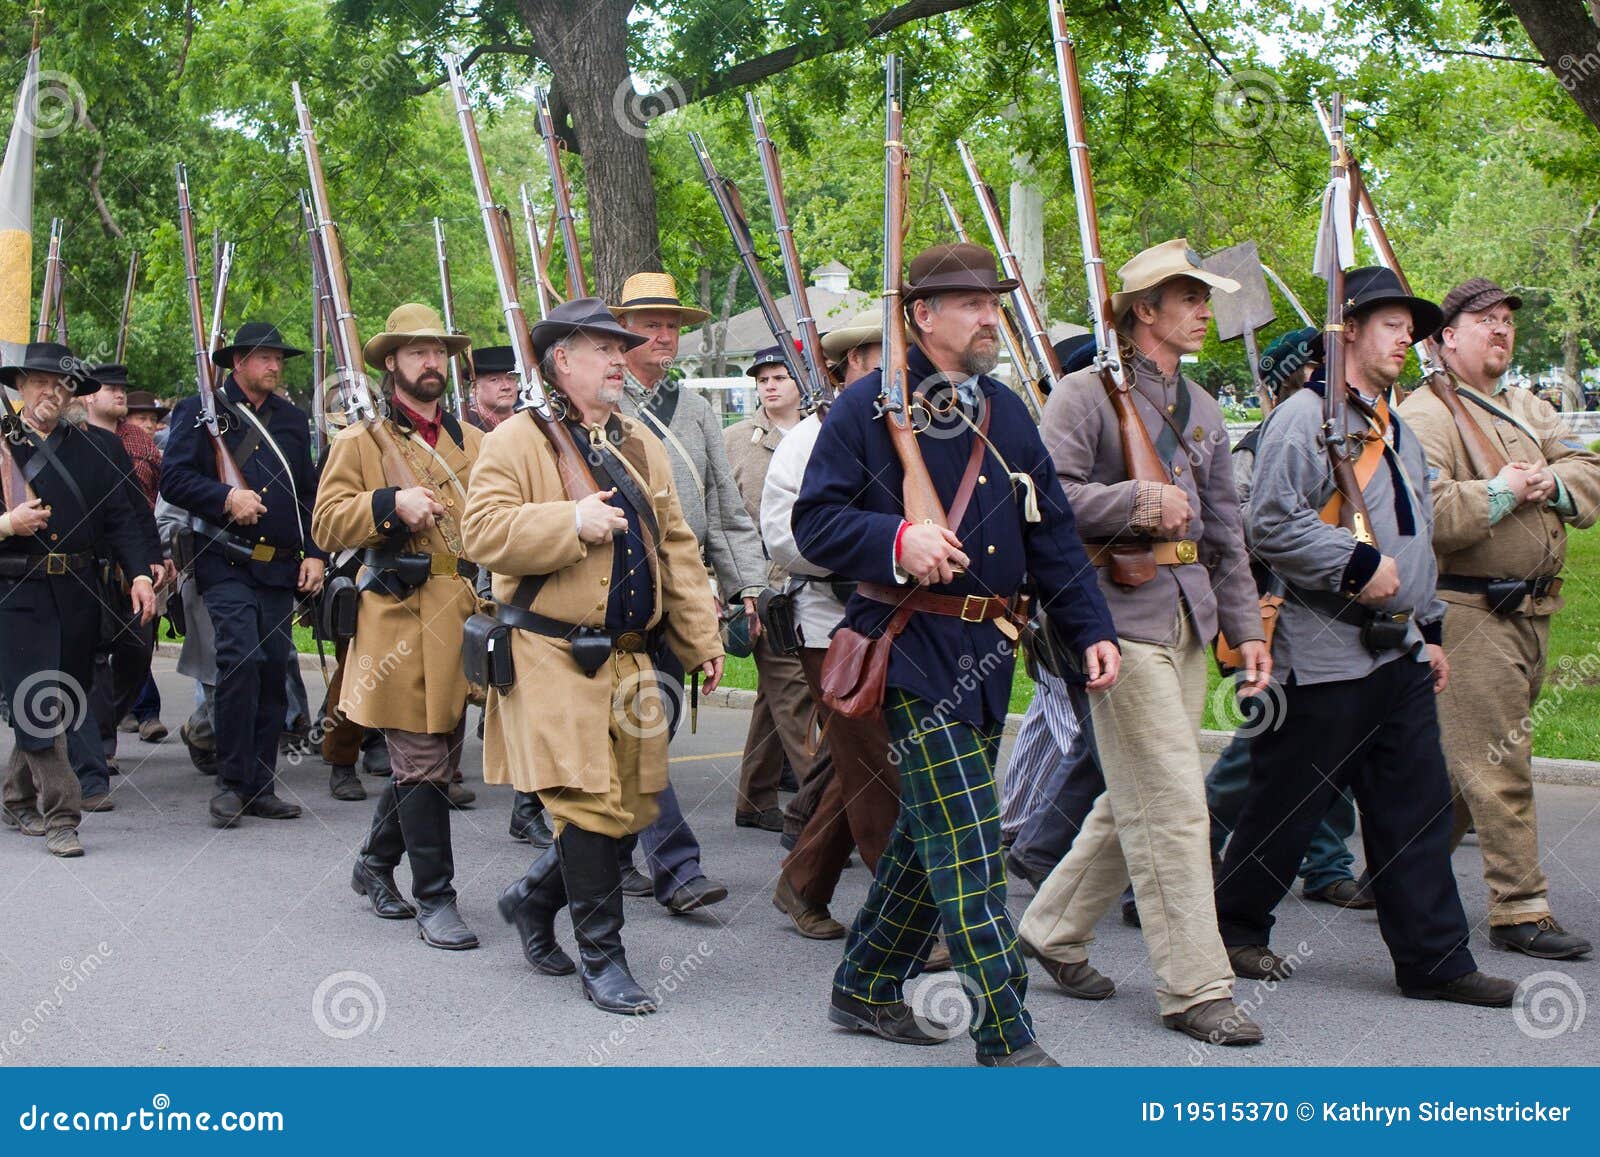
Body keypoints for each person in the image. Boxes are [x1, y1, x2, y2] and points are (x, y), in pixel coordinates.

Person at [794, 242, 1119, 1067]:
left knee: (925, 835)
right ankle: (1006, 1034)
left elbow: (1051, 534)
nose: (989, 316)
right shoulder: (865, 407)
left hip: (987, 652)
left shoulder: (1005, 410)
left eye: (992, 302)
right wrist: (899, 537)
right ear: (922, 315)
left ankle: (863, 985)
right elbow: (816, 524)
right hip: (905, 650)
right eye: (971, 303)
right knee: (973, 840)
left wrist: (1091, 628)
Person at [1216, 266, 1517, 1008]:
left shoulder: (1394, 425)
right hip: (1323, 650)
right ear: (1346, 328)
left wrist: (1431, 627)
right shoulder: (1301, 420)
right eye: (1391, 325)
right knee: (1282, 804)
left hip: (1400, 650)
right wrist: (1354, 562)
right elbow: (1271, 523)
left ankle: (1435, 961)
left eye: (1410, 328)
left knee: (1413, 808)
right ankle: (1233, 924)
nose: (1406, 338)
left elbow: (1415, 537)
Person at [1019, 239, 1267, 1046]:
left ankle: (1050, 928)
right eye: (1188, 297)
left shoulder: (1199, 405)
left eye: (1204, 297)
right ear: (1142, 311)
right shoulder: (1081, 396)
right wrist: (1136, 500)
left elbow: (1227, 528)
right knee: (1172, 801)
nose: (1204, 310)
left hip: (1188, 618)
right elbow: (1045, 502)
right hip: (1114, 622)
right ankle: (1196, 986)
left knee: (1138, 796)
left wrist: (1246, 627)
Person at [464, 298, 722, 1013]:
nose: (619, 359)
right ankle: (603, 958)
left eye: (621, 347)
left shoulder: (637, 440)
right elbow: (480, 532)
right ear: (561, 361)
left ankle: (529, 897)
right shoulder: (516, 440)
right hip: (551, 655)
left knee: (632, 807)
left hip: (633, 657)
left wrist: (701, 635)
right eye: (601, 348)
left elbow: (676, 545)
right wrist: (568, 520)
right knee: (586, 807)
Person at [1399, 277, 1600, 960]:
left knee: (1463, 769)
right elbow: (1421, 515)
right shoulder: (1423, 414)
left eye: (1508, 319)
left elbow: (1588, 464)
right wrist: (1501, 491)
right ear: (1445, 337)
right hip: (1473, 609)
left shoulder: (1524, 405)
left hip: (1536, 607)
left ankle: (1394, 875)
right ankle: (1519, 907)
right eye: (1485, 319)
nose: (1502, 330)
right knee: (1500, 763)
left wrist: (1553, 483)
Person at [313, 304, 484, 950]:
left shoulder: (474, 442)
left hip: (459, 611)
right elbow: (327, 523)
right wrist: (390, 504)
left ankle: (374, 861)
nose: (430, 362)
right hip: (397, 612)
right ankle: (436, 896)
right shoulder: (361, 440)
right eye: (416, 352)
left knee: (437, 760)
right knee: (416, 757)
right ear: (391, 363)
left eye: (438, 351)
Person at [1200, 328, 1372, 910]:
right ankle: (1193, 845)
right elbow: (1246, 524)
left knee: (1330, 744)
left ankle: (1325, 864)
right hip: (1280, 609)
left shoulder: (1357, 431)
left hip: (1340, 608)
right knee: (1263, 747)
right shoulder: (1275, 435)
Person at [613, 271, 765, 912]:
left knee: (655, 724)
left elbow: (725, 511)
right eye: (651, 323)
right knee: (640, 731)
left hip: (686, 586)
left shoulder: (697, 410)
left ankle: (605, 850)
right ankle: (677, 868)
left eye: (673, 324)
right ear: (621, 332)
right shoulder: (596, 407)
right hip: (617, 592)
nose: (665, 335)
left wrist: (747, 586)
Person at [761, 310, 901, 940]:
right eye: (880, 358)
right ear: (852, 365)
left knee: (859, 764)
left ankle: (802, 883)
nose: (894, 370)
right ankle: (905, 923)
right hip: (834, 626)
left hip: (907, 622)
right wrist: (881, 547)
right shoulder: (808, 438)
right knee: (878, 768)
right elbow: (782, 538)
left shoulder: (912, 425)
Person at [160, 321, 327, 828]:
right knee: (239, 659)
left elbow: (310, 494)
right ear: (238, 363)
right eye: (262, 357)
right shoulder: (201, 412)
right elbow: (175, 479)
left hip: (279, 563)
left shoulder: (293, 420)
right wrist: (225, 497)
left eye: (277, 358)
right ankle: (230, 782)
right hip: (224, 559)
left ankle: (260, 783)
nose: (274, 366)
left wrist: (315, 553)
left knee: (274, 665)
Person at [1, 343, 159, 857]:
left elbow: (123, 520)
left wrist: (138, 574)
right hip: (16, 592)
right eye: (40, 381)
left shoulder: (99, 448)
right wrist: (9, 523)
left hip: (80, 590)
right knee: (39, 699)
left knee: (59, 696)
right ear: (21, 386)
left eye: (62, 383)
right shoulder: (4, 445)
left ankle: (15, 795)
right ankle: (63, 815)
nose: (51, 391)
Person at [724, 345, 825, 831]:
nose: (769, 385)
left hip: (817, 583)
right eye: (762, 377)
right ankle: (827, 815)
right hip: (765, 590)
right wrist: (736, 592)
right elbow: (726, 524)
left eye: (780, 375)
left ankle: (755, 799)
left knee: (775, 697)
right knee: (797, 701)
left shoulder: (825, 433)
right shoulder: (734, 441)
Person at [466, 345, 517, 432]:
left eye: (510, 378)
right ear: (475, 387)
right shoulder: (465, 423)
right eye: (495, 380)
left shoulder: (531, 419)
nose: (506, 387)